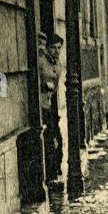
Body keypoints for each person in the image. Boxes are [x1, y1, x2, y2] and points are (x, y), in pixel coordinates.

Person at [38, 34, 63, 183]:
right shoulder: (41, 61)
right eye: (53, 48)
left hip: (49, 104)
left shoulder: (58, 64)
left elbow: (55, 88)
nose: (56, 51)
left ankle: (54, 171)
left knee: (56, 139)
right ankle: (49, 176)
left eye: (59, 48)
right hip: (41, 105)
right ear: (47, 48)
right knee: (48, 139)